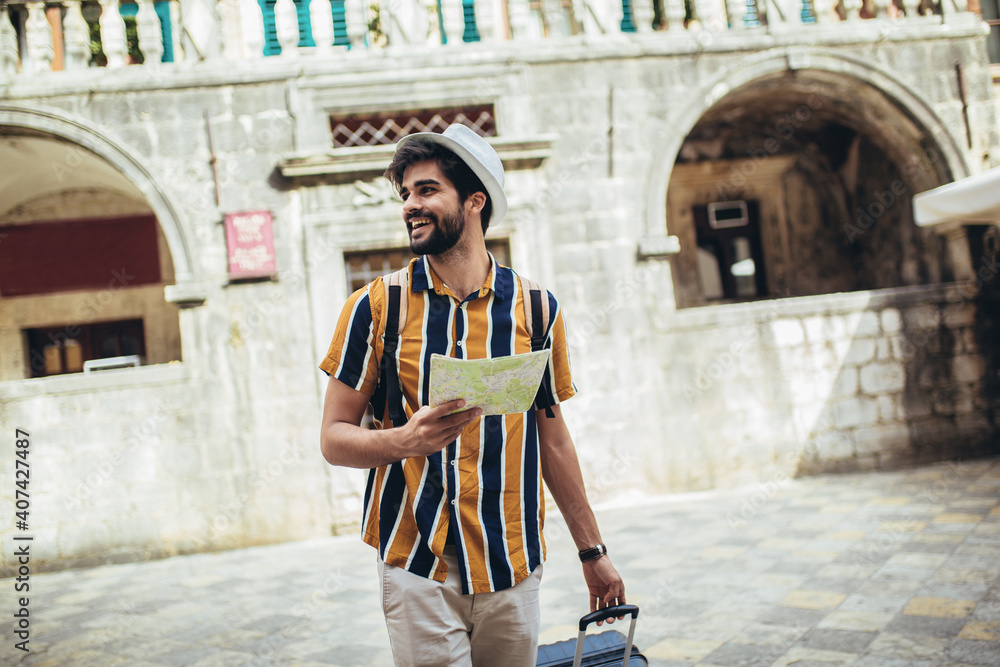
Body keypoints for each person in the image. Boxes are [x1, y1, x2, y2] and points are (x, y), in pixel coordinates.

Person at [319, 124, 625, 667]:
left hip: (513, 564)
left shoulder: (536, 309)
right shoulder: (375, 308)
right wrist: (405, 440)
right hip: (418, 566)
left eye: (427, 190)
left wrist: (592, 551)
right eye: (406, 193)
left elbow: (552, 441)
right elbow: (333, 439)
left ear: (475, 201)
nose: (410, 205)